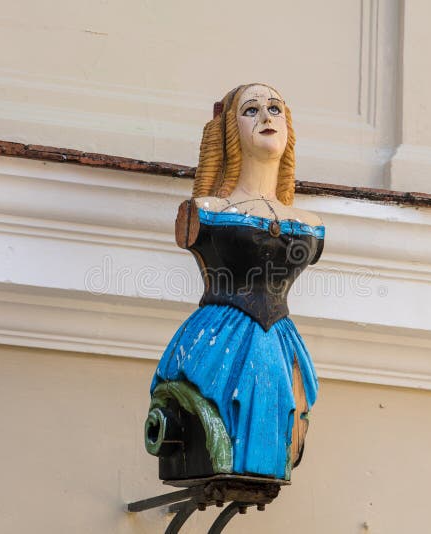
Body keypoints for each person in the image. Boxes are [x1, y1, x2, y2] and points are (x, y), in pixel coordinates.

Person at [146, 84, 324, 481]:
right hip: (220, 335)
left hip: (280, 337)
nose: (266, 117)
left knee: (280, 412)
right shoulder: (205, 212)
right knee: (221, 417)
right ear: (229, 132)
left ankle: (260, 474)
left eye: (275, 108)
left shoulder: (309, 224)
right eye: (251, 110)